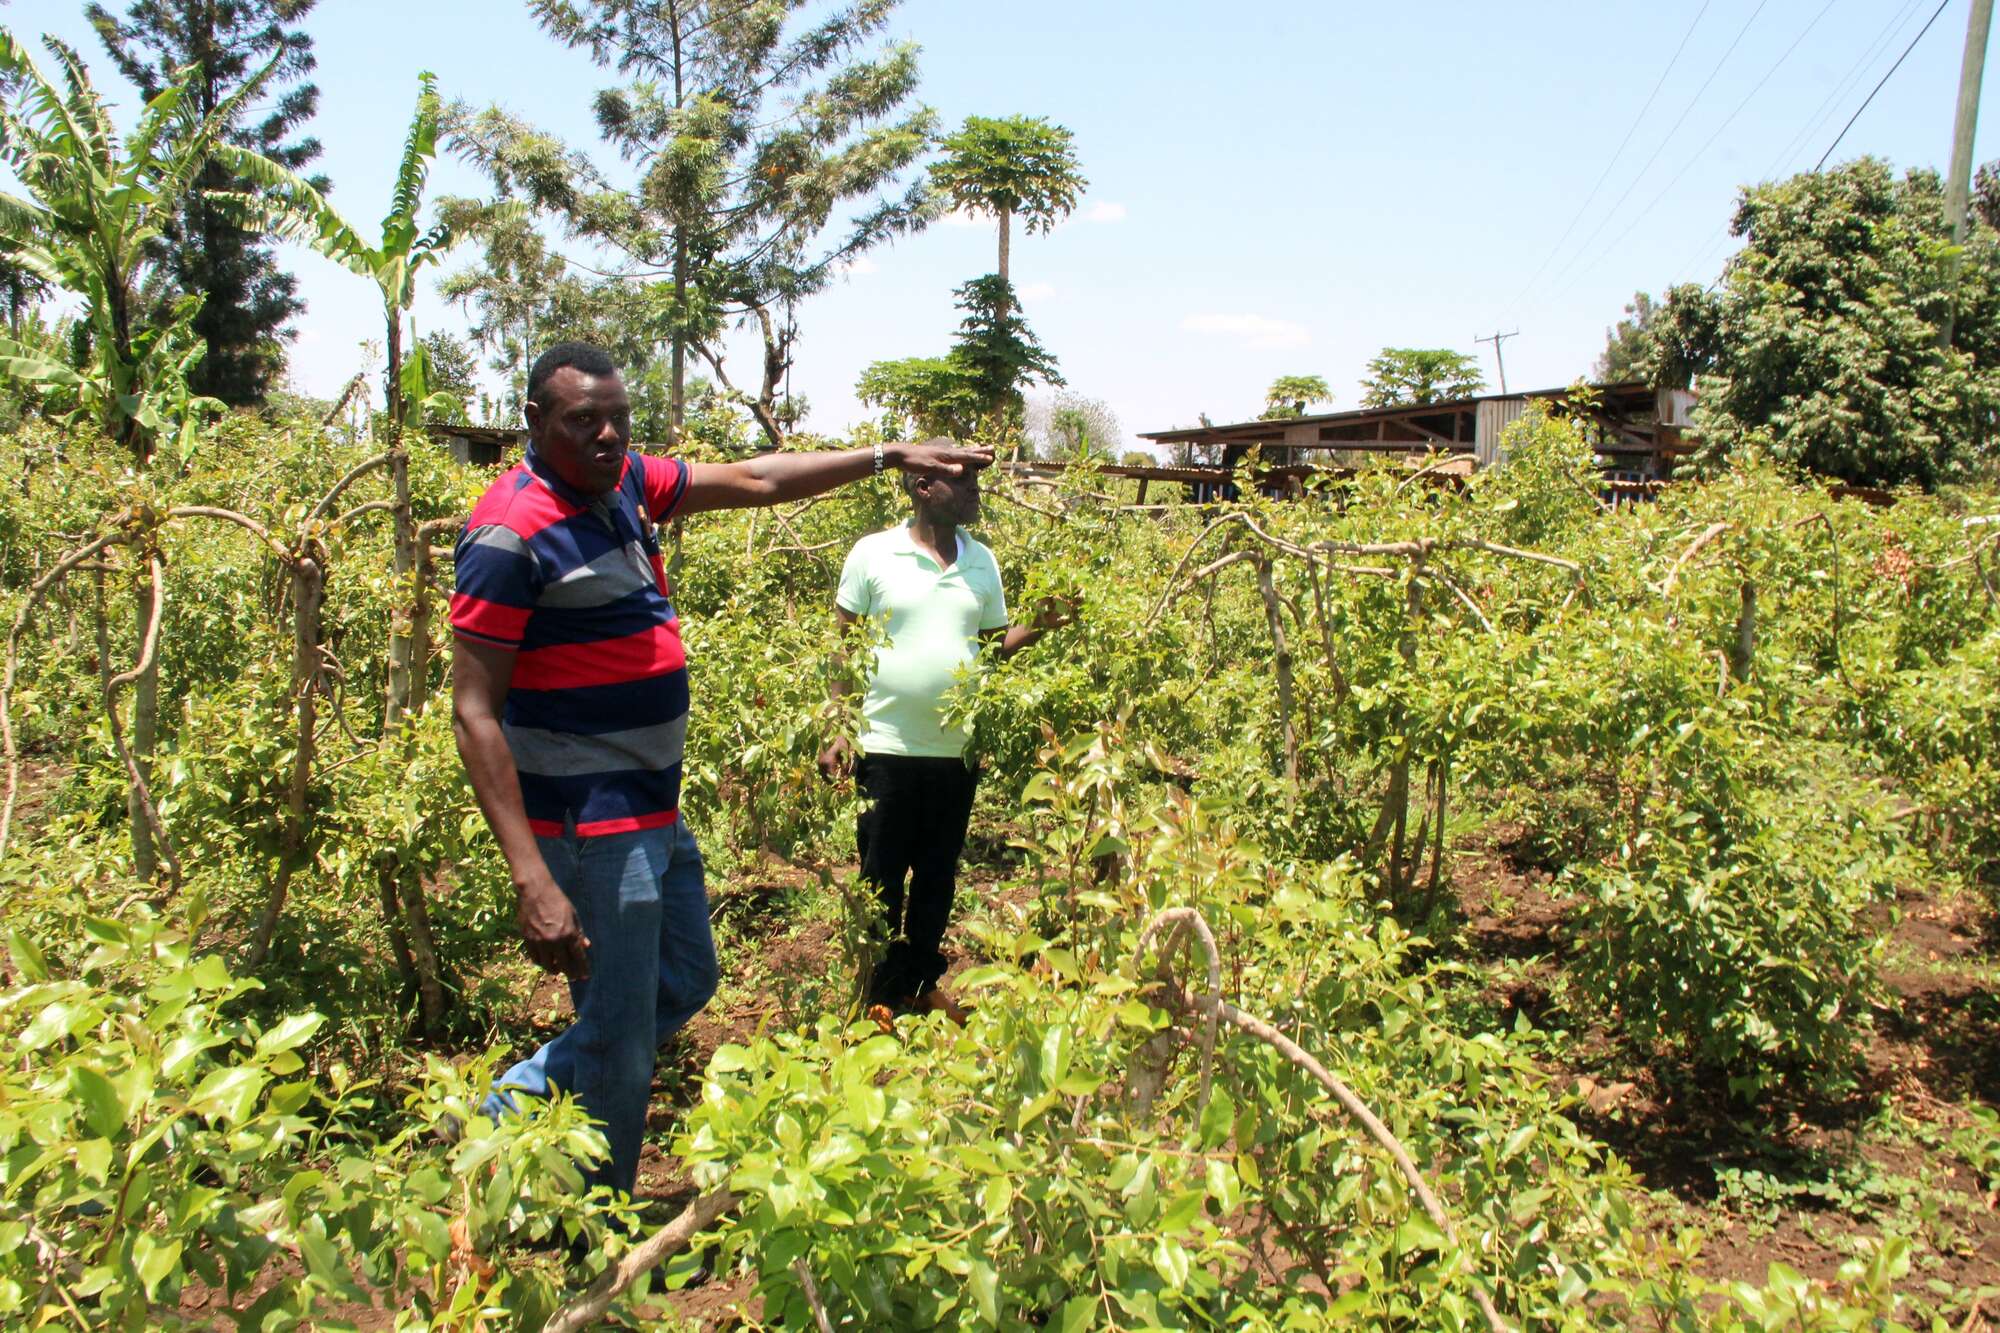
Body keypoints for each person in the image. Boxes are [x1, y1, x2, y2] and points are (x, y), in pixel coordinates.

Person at [450, 344, 989, 1195]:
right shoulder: (508, 532)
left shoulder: (624, 481)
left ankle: (510, 1110)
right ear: (534, 423)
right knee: (622, 1039)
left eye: (618, 417)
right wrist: (531, 876)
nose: (606, 434)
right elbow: (474, 711)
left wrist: (889, 453)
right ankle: (601, 1225)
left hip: (651, 805)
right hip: (587, 818)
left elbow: (758, 479)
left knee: (687, 977)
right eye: (582, 421)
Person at [817, 451, 1072, 1017]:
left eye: (977, 480)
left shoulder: (983, 562)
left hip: (957, 751)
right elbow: (842, 643)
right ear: (923, 485)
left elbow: (989, 652)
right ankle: (879, 996)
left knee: (937, 875)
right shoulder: (873, 553)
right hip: (884, 746)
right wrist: (837, 725)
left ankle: (921, 982)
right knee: (881, 875)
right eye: (964, 480)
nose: (976, 490)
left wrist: (1038, 625)